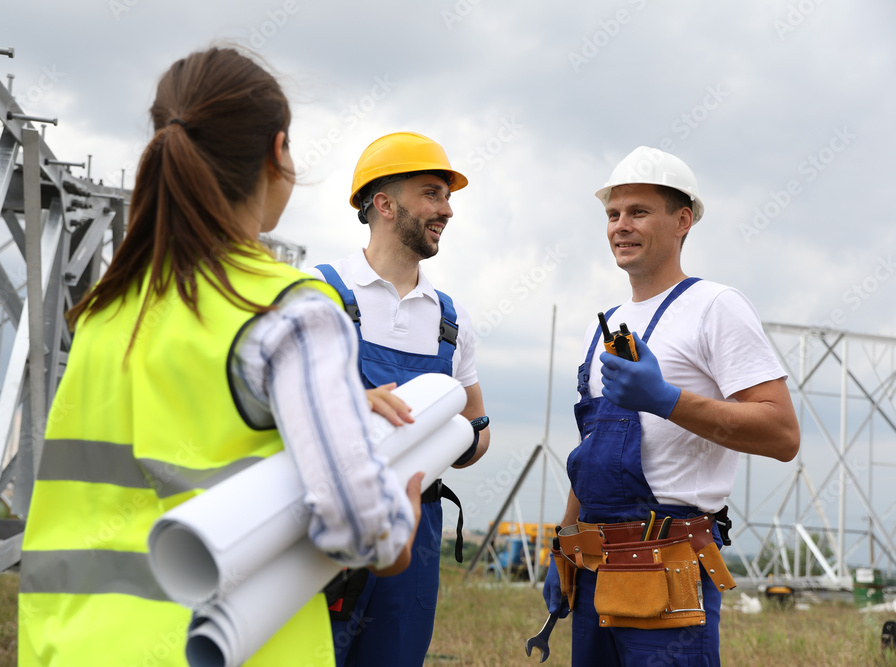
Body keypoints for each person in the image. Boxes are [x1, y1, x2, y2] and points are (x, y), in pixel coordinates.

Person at [17, 47, 425, 666]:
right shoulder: (289, 309)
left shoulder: (107, 310)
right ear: (278, 152)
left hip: (72, 647)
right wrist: (401, 529)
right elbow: (358, 524)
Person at [542, 146, 800, 666]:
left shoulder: (715, 306)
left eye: (638, 212)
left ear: (683, 220)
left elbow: (781, 434)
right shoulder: (608, 325)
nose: (621, 225)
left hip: (669, 569)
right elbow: (592, 451)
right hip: (594, 567)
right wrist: (563, 544)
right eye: (612, 214)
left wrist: (666, 400)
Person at [309, 132, 491, 667]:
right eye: (432, 194)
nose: (447, 210)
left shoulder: (449, 319)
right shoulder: (319, 292)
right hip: (330, 524)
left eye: (448, 196)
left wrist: (457, 439)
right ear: (384, 205)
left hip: (418, 532)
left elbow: (477, 429)